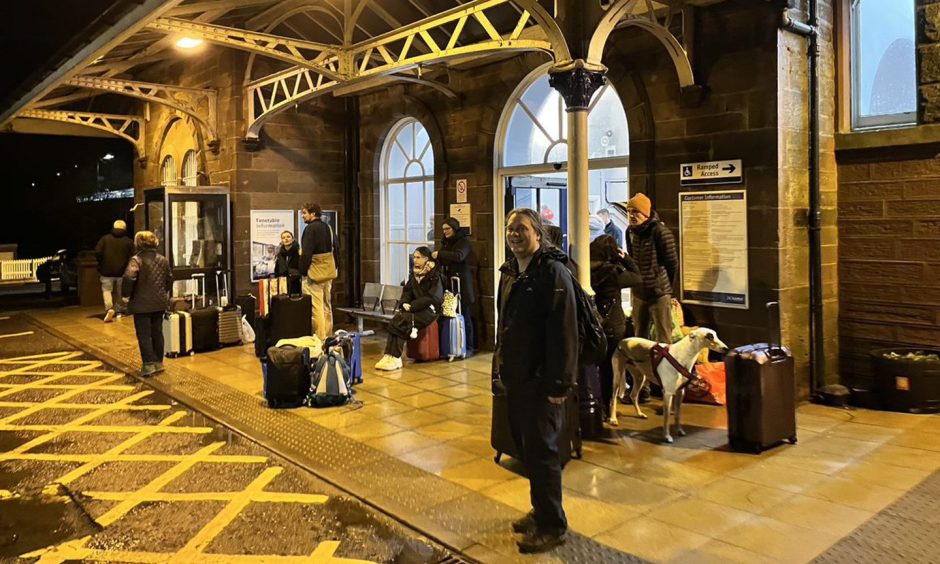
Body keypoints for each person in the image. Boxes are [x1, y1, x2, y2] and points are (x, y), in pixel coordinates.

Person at [494, 208, 577, 554]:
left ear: (538, 235)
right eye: (511, 229)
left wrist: (559, 384)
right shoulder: (511, 271)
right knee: (528, 449)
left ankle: (552, 525)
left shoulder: (554, 273)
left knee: (543, 453)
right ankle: (541, 510)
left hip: (543, 382)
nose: (514, 235)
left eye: (522, 229)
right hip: (517, 378)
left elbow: (564, 331)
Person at [589, 234, 642, 416]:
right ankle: (606, 406)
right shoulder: (613, 272)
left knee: (590, 365)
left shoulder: (584, 269)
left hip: (592, 323)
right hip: (612, 323)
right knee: (608, 369)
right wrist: (625, 258)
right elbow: (637, 277)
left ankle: (591, 401)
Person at [374, 247, 443, 371]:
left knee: (403, 321)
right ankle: (388, 355)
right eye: (414, 257)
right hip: (414, 309)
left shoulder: (435, 276)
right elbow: (407, 291)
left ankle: (395, 357)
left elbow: (433, 297)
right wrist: (404, 303)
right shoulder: (414, 274)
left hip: (429, 311)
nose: (415, 260)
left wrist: (413, 306)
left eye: (418, 257)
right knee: (397, 319)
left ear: (426, 259)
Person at [625, 193, 679, 344]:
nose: (631, 215)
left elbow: (672, 262)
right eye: (629, 211)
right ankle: (642, 366)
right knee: (639, 336)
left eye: (635, 211)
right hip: (639, 292)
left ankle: (665, 366)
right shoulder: (630, 232)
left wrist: (669, 290)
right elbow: (633, 257)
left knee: (663, 336)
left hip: (658, 292)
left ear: (646, 213)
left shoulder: (660, 231)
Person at [121, 231, 172, 378]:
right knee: (157, 332)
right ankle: (158, 363)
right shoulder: (163, 259)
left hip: (141, 303)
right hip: (159, 302)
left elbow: (129, 278)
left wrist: (126, 296)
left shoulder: (136, 260)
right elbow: (169, 279)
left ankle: (148, 365)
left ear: (138, 243)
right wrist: (163, 292)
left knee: (144, 334)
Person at [431, 217, 477, 352]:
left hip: (462, 283)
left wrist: (440, 254)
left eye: (447, 229)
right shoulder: (446, 243)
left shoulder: (463, 242)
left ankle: (469, 346)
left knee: (465, 315)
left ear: (454, 228)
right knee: (452, 314)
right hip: (450, 284)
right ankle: (453, 345)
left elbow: (459, 256)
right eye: (443, 229)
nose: (445, 231)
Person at [299, 203, 337, 341]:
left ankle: (320, 338)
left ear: (313, 213)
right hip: (329, 272)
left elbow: (306, 253)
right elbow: (336, 249)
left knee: (316, 308)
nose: (303, 216)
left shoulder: (310, 229)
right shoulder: (328, 228)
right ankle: (329, 335)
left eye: (304, 213)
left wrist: (302, 271)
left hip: (314, 274)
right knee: (327, 305)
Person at [95, 220, 134, 322]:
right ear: (124, 228)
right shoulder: (128, 241)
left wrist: (102, 262)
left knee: (107, 290)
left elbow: (98, 252)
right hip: (122, 271)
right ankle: (120, 311)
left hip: (106, 271)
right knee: (120, 291)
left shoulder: (105, 239)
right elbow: (133, 256)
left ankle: (109, 308)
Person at [274, 230, 301, 295]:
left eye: (288, 237)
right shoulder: (279, 254)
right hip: (283, 283)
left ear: (292, 239)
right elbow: (277, 269)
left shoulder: (298, 252)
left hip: (296, 282)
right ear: (281, 241)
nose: (286, 239)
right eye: (283, 238)